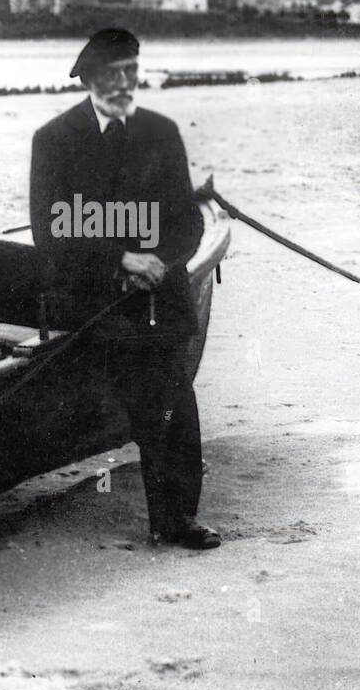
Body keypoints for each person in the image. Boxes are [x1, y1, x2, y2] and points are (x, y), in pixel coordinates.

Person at [29, 28, 220, 549]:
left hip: (162, 296)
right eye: (111, 73)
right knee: (146, 386)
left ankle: (176, 518)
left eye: (130, 71)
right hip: (94, 301)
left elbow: (188, 223)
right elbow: (51, 230)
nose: (123, 83)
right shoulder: (54, 140)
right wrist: (121, 259)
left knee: (172, 399)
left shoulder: (161, 134)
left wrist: (159, 261)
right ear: (89, 78)